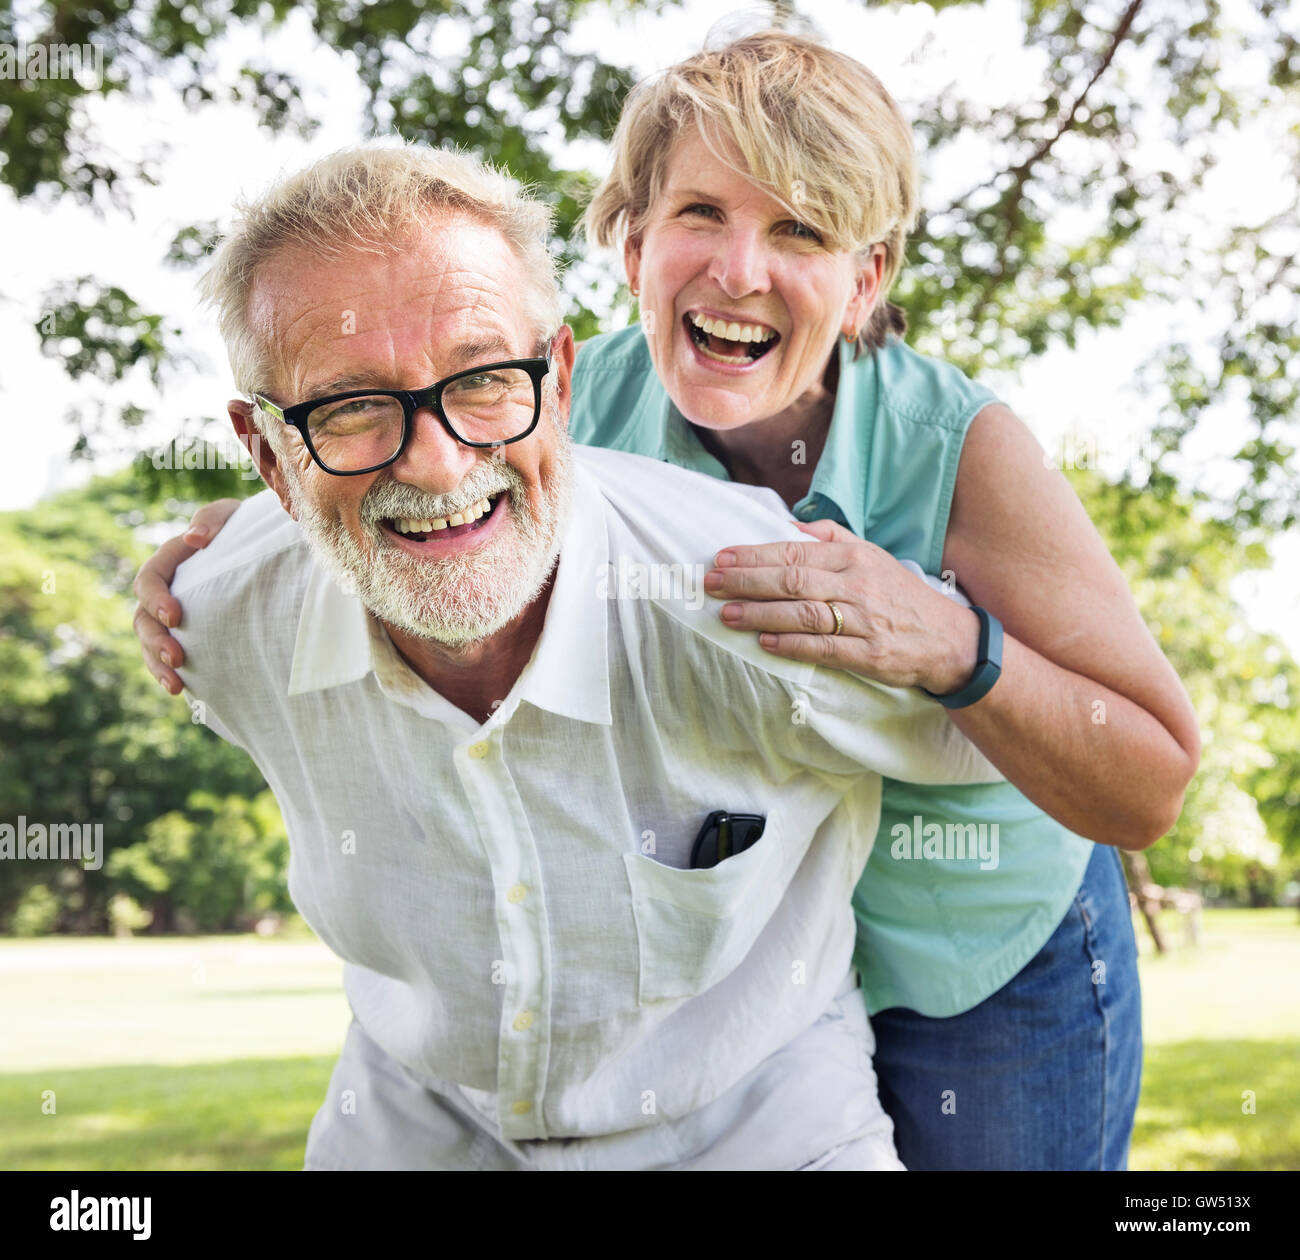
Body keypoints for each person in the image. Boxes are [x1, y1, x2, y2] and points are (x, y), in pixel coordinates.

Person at [134, 31, 1201, 1170]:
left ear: (865, 279)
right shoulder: (546, 402)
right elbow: (409, 453)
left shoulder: (958, 448)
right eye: (701, 214)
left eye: (800, 229)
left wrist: (954, 642)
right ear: (631, 241)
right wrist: (252, 527)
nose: (738, 270)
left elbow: (1145, 778)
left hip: (972, 934)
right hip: (753, 930)